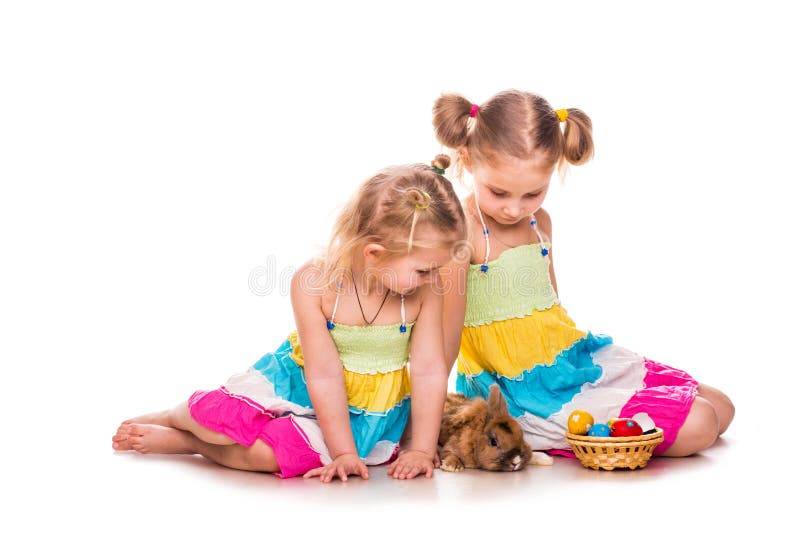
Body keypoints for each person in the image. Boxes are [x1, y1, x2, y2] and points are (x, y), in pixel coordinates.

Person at [112, 156, 468, 480]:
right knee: (219, 425)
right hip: (301, 386)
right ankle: (176, 417)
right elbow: (323, 373)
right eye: (425, 270)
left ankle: (190, 444)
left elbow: (429, 370)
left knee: (269, 455)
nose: (434, 278)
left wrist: (420, 449)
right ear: (374, 254)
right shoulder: (315, 284)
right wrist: (342, 453)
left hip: (363, 414)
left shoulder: (425, 293)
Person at [433, 90, 734, 457]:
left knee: (722, 408)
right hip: (525, 390)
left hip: (569, 363)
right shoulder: (462, 232)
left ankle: (613, 405)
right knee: (701, 422)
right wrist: (427, 428)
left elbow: (552, 307)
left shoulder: (540, 223)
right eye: (499, 192)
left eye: (532, 193)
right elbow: (445, 339)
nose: (515, 209)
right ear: (467, 159)